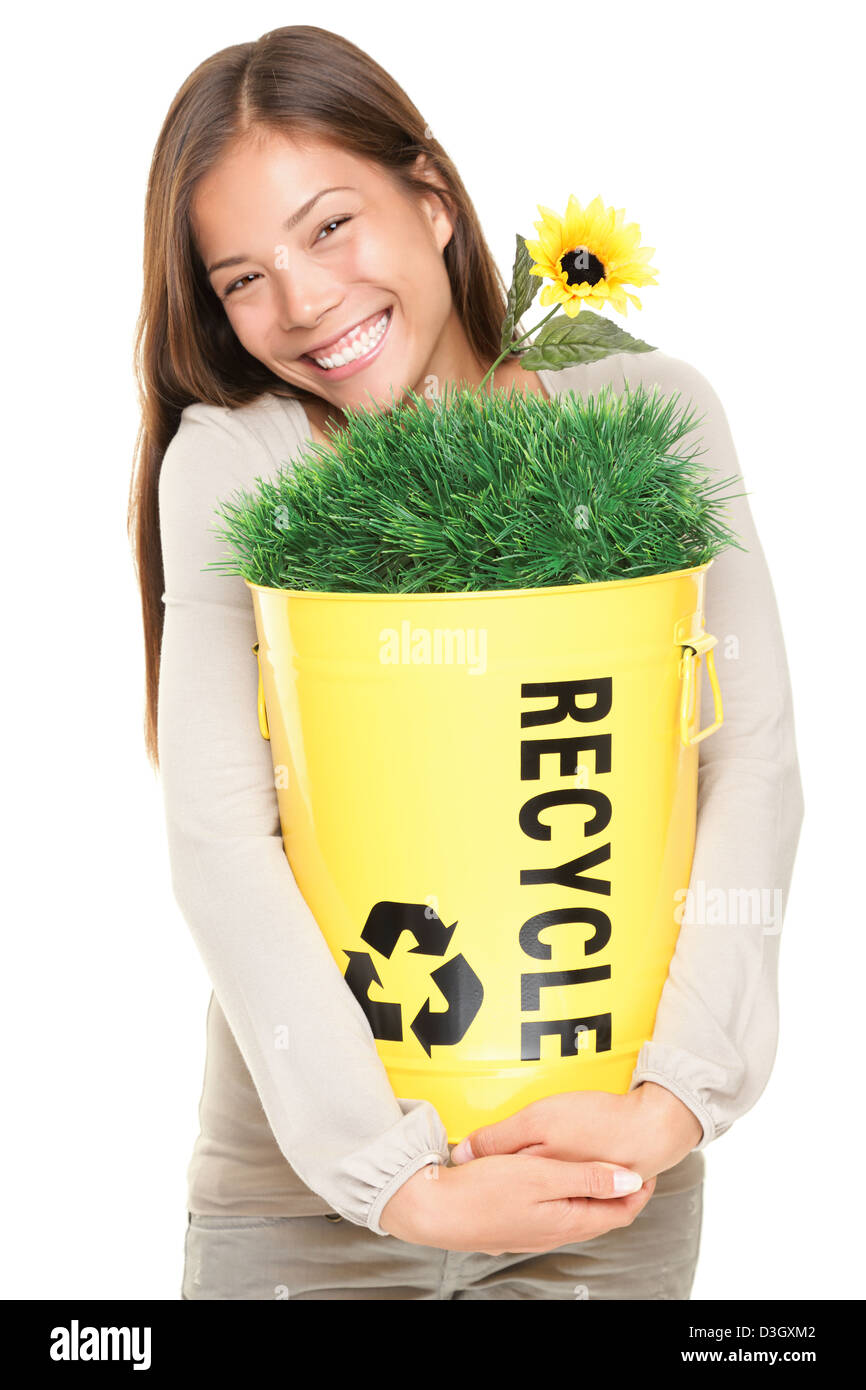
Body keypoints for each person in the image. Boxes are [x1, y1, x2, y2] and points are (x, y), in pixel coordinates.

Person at [128, 25, 804, 1300]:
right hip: (309, 1186)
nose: (304, 301)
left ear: (429, 198)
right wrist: (389, 1174)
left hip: (598, 1163)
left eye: (330, 227)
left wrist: (676, 1096)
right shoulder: (238, 458)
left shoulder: (643, 415)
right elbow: (221, 841)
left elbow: (747, 761)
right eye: (242, 279)